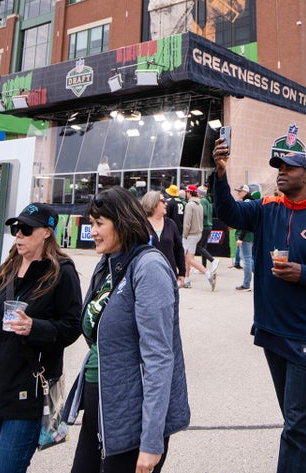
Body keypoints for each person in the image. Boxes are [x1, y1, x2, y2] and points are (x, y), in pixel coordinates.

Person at [212, 143, 306, 473]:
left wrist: (303, 273)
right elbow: (229, 213)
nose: (281, 172)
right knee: (299, 421)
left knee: (297, 426)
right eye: (278, 168)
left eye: (289, 168)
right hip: (272, 331)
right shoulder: (265, 208)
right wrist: (220, 174)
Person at [0, 203, 82, 473]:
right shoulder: (8, 266)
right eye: (15, 228)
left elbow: (72, 327)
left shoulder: (62, 271)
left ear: (47, 232)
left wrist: (35, 327)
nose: (18, 234)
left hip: (27, 395)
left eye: (26, 229)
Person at [64, 188, 189, 473]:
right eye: (91, 224)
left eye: (99, 224)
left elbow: (159, 358)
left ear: (121, 222)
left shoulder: (149, 267)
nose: (92, 231)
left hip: (133, 414)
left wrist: (151, 441)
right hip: (103, 403)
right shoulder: (107, 264)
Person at [142, 190, 186, 287]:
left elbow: (178, 249)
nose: (166, 203)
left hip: (169, 275)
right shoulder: (141, 225)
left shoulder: (170, 224)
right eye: (163, 201)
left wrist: (182, 272)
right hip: (146, 276)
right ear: (153, 204)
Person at [181, 187, 211, 289]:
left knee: (188, 258)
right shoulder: (200, 205)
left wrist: (184, 235)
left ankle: (208, 273)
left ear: (189, 192)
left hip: (190, 235)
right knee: (188, 258)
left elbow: (187, 222)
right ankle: (187, 279)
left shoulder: (190, 205)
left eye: (186, 192)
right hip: (197, 233)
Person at [232, 182, 256, 291]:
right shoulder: (252, 201)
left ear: (245, 192)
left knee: (246, 259)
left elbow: (246, 222)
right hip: (251, 235)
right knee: (250, 259)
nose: (238, 193)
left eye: (240, 191)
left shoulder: (247, 202)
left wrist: (241, 237)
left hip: (246, 236)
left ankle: (246, 284)